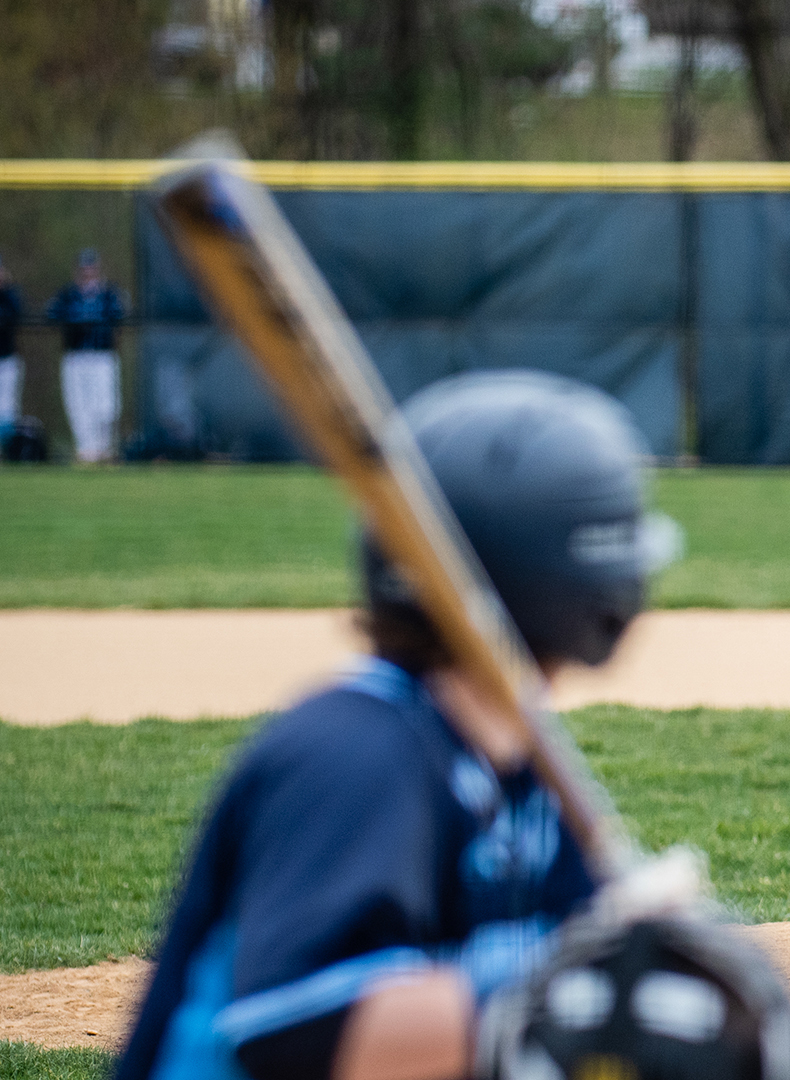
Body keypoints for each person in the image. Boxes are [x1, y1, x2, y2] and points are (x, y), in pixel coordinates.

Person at [117, 371, 670, 1080]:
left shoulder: (520, 766)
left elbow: (585, 952)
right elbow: (296, 1030)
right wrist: (575, 982)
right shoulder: (354, 754)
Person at [46, 248, 126, 463]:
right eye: (84, 267)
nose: (88, 272)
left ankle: (104, 448)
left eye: (91, 267)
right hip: (75, 355)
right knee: (78, 405)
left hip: (102, 355)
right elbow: (52, 314)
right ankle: (86, 450)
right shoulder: (68, 294)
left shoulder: (109, 293)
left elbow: (119, 315)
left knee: (106, 405)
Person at [0, 255, 22, 435]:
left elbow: (18, 311)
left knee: (7, 408)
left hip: (6, 358)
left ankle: (5, 445)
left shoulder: (9, 295)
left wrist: (5, 289)